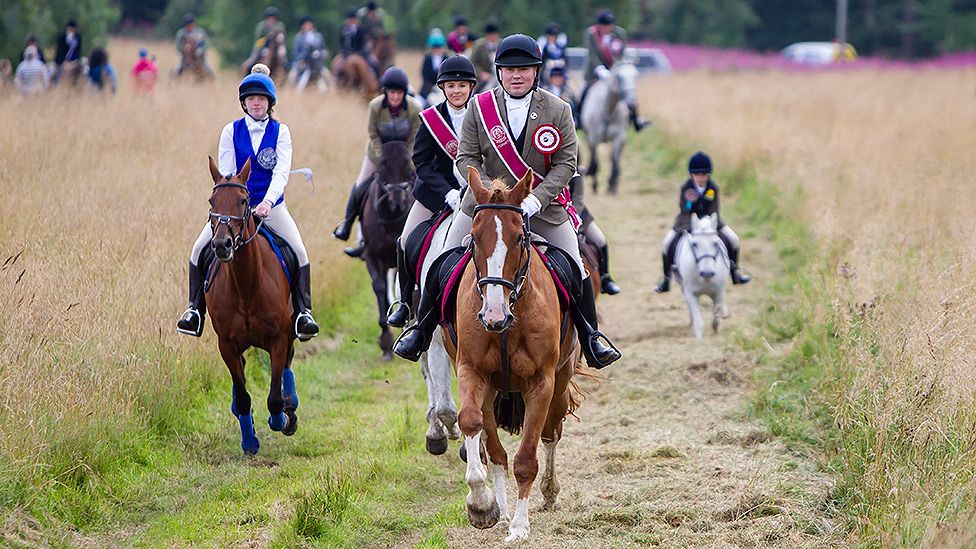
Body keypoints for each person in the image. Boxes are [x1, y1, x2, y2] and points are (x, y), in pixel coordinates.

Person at [393, 34, 621, 370]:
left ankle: (591, 337)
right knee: (443, 261)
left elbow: (566, 164)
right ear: (499, 72)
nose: (516, 75)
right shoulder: (479, 107)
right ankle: (421, 330)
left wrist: (535, 200)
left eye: (524, 69)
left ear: (536, 71)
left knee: (576, 266)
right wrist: (492, 195)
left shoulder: (559, 109)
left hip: (542, 208)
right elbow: (467, 157)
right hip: (484, 206)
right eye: (509, 69)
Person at [178, 71, 320, 340]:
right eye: (251, 98)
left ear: (269, 103)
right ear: (244, 103)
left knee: (299, 251)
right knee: (198, 249)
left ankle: (304, 314)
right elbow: (227, 174)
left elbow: (281, 173)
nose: (256, 103)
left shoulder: (281, 132)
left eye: (261, 99)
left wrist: (267, 202)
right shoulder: (230, 131)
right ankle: (194, 311)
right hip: (234, 211)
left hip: (271, 207)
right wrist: (234, 206)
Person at [386, 56, 478, 327]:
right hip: (435, 195)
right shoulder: (431, 119)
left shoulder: (484, 116)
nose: (456, 91)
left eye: (462, 85)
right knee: (405, 241)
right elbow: (422, 162)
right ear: (442, 88)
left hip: (476, 195)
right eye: (451, 86)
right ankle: (405, 302)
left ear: (471, 87)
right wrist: (447, 193)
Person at [332, 67, 422, 257]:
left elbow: (415, 136)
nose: (395, 96)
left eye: (399, 93)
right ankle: (351, 229)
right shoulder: (375, 106)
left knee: (421, 183)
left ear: (404, 93)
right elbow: (373, 134)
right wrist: (382, 156)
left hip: (405, 156)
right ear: (385, 92)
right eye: (392, 92)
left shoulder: (415, 108)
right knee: (360, 186)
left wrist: (407, 157)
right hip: (377, 155)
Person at [654, 151, 752, 293]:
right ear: (691, 175)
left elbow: (714, 209)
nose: (700, 178)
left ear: (708, 175)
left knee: (734, 239)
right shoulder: (686, 188)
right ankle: (666, 279)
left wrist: (708, 223)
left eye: (704, 174)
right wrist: (693, 225)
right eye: (697, 174)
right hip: (686, 221)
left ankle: (735, 272)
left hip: (711, 222)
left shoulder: (713, 188)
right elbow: (685, 209)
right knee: (666, 243)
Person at [581, 9, 648, 132]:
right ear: (599, 25)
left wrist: (617, 69)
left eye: (609, 25)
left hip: (616, 72)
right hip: (595, 74)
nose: (608, 28)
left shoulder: (619, 33)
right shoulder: (591, 34)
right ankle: (578, 119)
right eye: (605, 26)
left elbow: (622, 54)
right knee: (583, 93)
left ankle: (635, 119)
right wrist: (600, 69)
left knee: (628, 91)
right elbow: (592, 55)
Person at [570, 175, 620, 294]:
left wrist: (571, 219)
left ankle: (605, 277)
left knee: (600, 240)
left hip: (578, 217)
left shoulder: (577, 173)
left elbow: (578, 199)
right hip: (548, 218)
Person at [419, 33, 449, 105]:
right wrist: (430, 87)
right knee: (419, 101)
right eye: (435, 47)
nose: (437, 50)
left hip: (443, 88)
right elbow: (424, 74)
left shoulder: (447, 59)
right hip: (428, 88)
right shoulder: (427, 59)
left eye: (439, 47)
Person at [469, 22, 500, 89]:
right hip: (483, 79)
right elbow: (472, 62)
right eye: (490, 35)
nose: (492, 37)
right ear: (486, 35)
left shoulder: (501, 44)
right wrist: (481, 73)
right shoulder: (478, 45)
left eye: (494, 34)